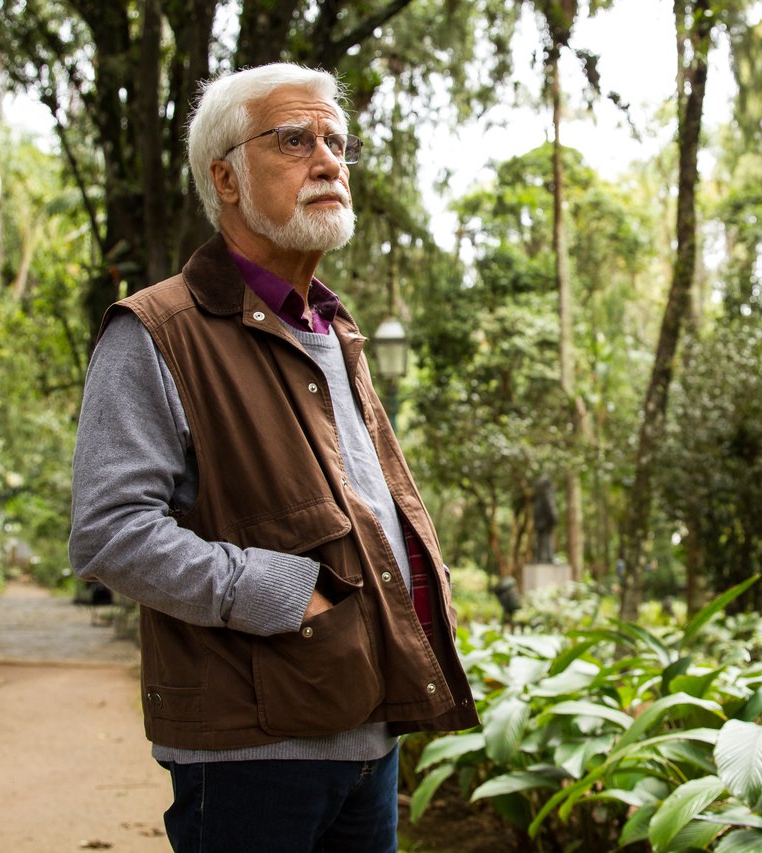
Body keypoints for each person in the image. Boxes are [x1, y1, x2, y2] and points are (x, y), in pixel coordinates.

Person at [68, 63, 478, 853]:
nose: (327, 161)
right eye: (294, 140)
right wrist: (284, 595)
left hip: (368, 732)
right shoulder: (155, 332)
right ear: (225, 177)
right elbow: (108, 531)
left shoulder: (333, 330)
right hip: (253, 751)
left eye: (336, 142)